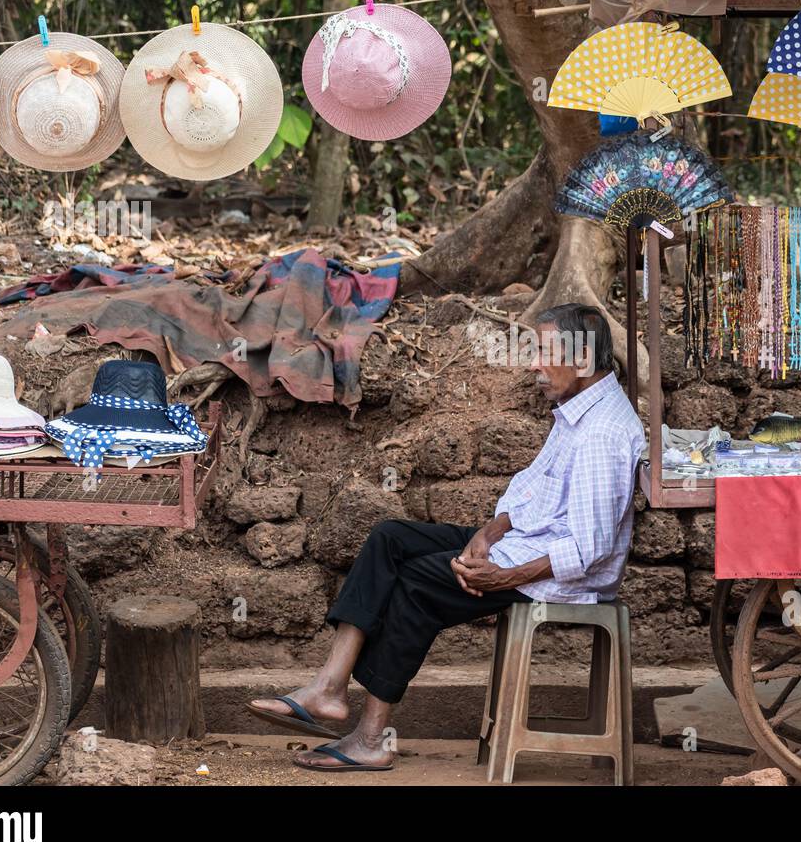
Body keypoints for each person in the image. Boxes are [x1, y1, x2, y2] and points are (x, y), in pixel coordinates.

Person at [247, 303, 646, 771]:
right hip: (526, 546)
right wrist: (488, 531)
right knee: (390, 537)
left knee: (417, 583)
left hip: (557, 574)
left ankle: (372, 739)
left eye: (544, 351)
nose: (535, 364)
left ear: (581, 359)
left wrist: (504, 574)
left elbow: (589, 548)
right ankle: (329, 688)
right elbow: (533, 487)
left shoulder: (602, 433)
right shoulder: (578, 409)